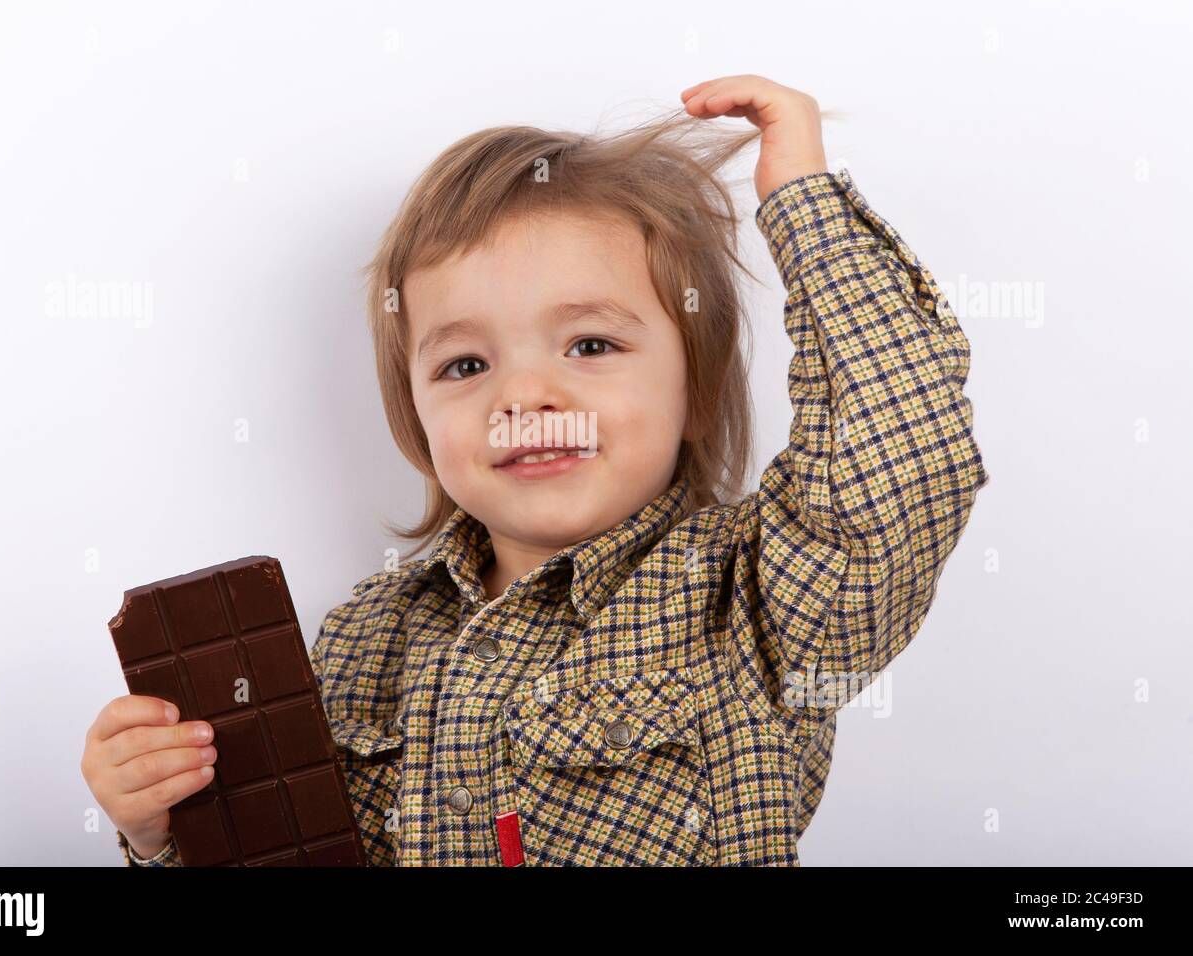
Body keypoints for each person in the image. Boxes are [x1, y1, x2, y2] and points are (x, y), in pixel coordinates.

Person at [82, 74, 990, 866]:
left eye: (590, 343)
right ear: (417, 418)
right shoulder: (366, 636)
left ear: (698, 394)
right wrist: (169, 832)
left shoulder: (761, 599)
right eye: (465, 366)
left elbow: (903, 450)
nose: (525, 394)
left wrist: (804, 205)